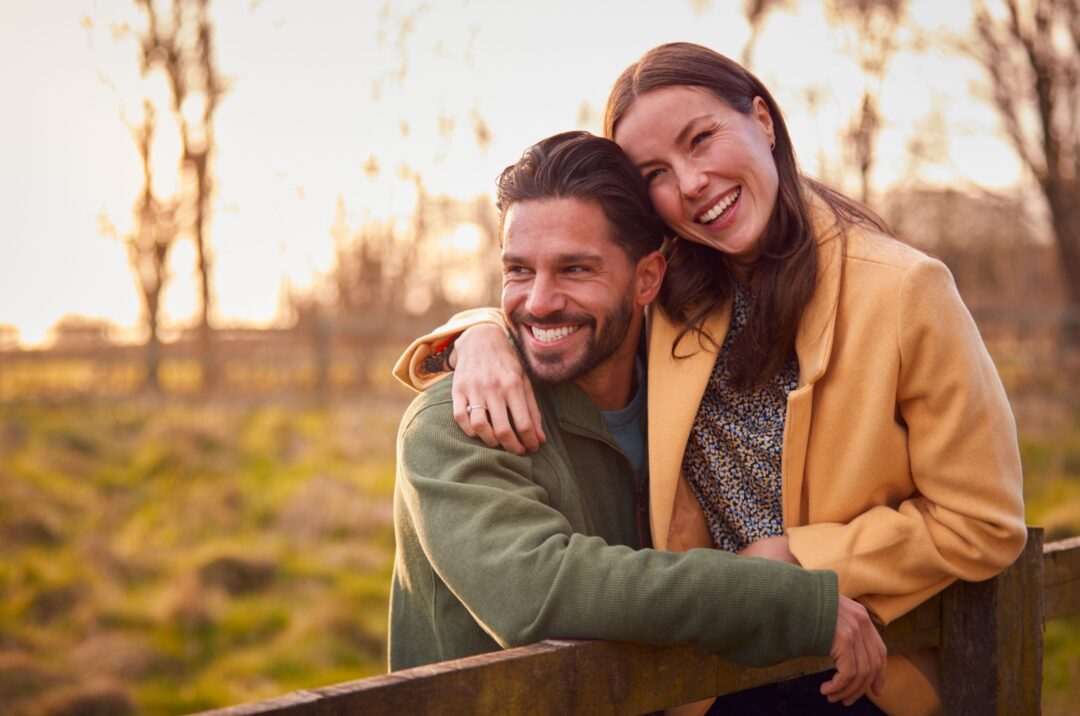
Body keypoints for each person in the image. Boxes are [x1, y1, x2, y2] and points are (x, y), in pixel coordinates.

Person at [394, 43, 1027, 715]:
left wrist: (794, 561)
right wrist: (480, 333)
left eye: (701, 140)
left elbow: (983, 521)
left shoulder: (903, 290)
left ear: (763, 119)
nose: (691, 182)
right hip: (707, 675)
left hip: (855, 664)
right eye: (657, 172)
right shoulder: (682, 292)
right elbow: (569, 288)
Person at [390, 130, 888, 710]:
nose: (539, 301)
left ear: (648, 278)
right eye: (518, 271)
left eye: (575, 269)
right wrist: (795, 605)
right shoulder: (454, 418)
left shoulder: (690, 397)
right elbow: (539, 592)